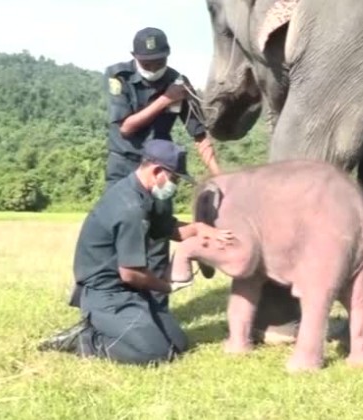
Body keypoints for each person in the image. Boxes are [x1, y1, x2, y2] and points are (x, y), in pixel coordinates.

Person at [66, 26, 222, 310]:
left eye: (158, 62)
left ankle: (157, 307)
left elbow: (199, 134)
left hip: (161, 170)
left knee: (160, 234)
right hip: (125, 166)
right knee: (119, 234)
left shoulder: (179, 83)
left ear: (168, 56)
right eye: (146, 62)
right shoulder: (118, 76)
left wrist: (219, 176)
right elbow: (126, 127)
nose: (152, 67)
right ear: (134, 57)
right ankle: (108, 301)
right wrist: (166, 99)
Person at [39, 140, 233, 365]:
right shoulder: (130, 207)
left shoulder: (144, 194)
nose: (175, 185)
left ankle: (121, 327)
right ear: (158, 171)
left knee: (178, 343)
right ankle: (85, 340)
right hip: (107, 293)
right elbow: (130, 273)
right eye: (175, 178)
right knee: (154, 354)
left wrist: (201, 229)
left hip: (129, 291)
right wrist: (167, 286)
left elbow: (170, 230)